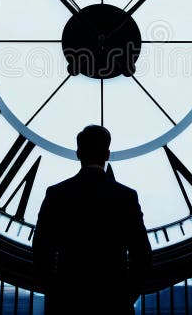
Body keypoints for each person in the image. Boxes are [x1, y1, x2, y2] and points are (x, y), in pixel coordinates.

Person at [33, 124, 152, 315]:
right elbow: (142, 253)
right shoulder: (126, 197)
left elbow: (40, 249)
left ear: (78, 153)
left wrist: (56, 291)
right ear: (107, 154)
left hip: (68, 301)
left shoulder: (57, 194)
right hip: (113, 301)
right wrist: (125, 295)